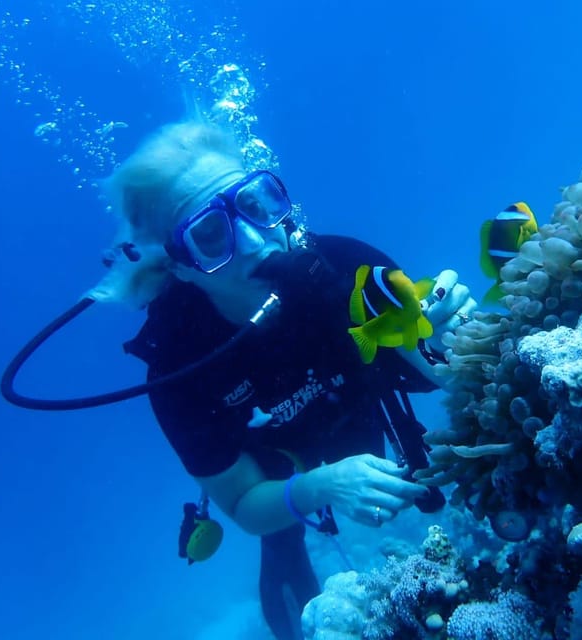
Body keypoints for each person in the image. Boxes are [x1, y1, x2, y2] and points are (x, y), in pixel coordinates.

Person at [92, 119, 477, 640]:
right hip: (277, 469)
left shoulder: (343, 265)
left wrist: (448, 335)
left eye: (256, 204)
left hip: (358, 408)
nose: (253, 241)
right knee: (282, 548)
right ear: (178, 266)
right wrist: (326, 484)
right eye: (210, 235)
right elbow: (244, 505)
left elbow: (433, 366)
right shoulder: (177, 368)